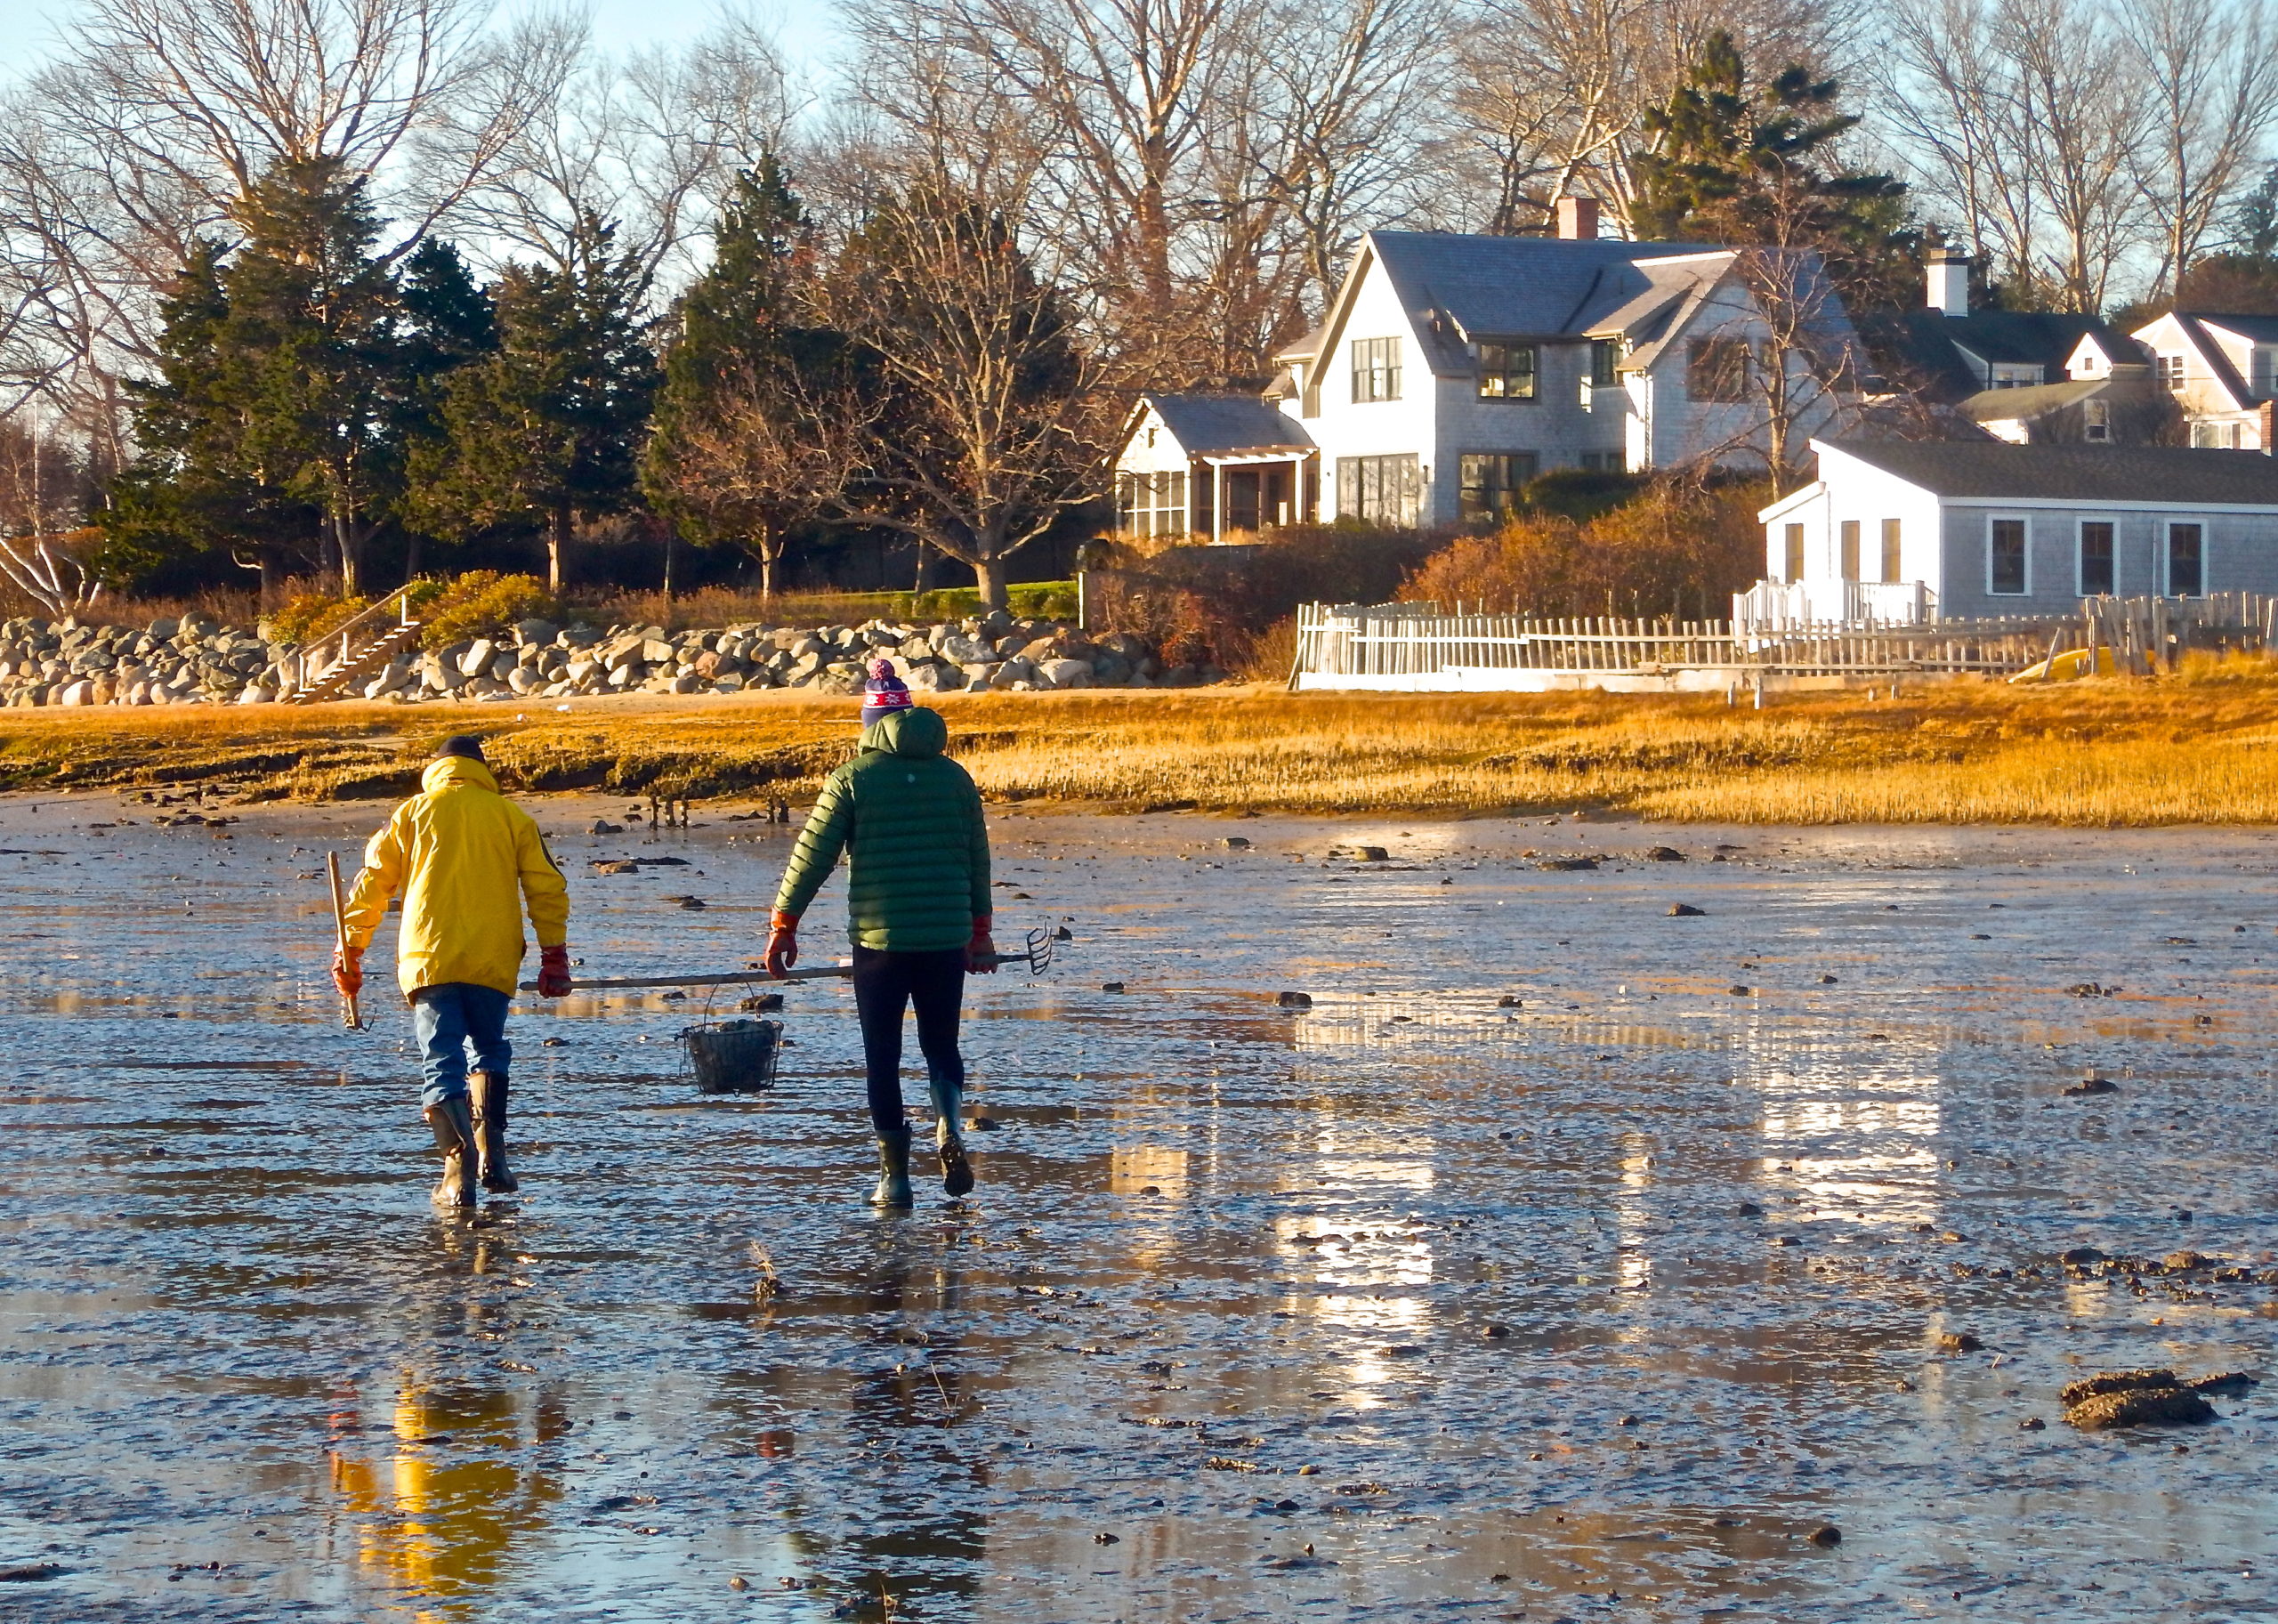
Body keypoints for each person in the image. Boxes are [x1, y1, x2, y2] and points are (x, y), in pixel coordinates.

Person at [765, 680, 993, 1208]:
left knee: (882, 1056)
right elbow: (977, 859)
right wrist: (979, 934)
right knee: (942, 1045)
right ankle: (948, 1124)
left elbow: (812, 856)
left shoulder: (852, 778)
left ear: (870, 725)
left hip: (879, 941)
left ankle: (894, 1180)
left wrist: (784, 925)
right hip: (945, 939)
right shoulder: (955, 779)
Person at [333, 735, 572, 1208]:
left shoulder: (411, 814)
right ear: (482, 770)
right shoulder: (510, 817)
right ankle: (494, 1157)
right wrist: (554, 955)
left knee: (441, 1059)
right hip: (492, 959)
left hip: (430, 958)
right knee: (489, 1050)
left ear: (436, 769)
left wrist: (350, 950)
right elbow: (547, 888)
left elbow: (372, 885)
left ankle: (457, 1174)